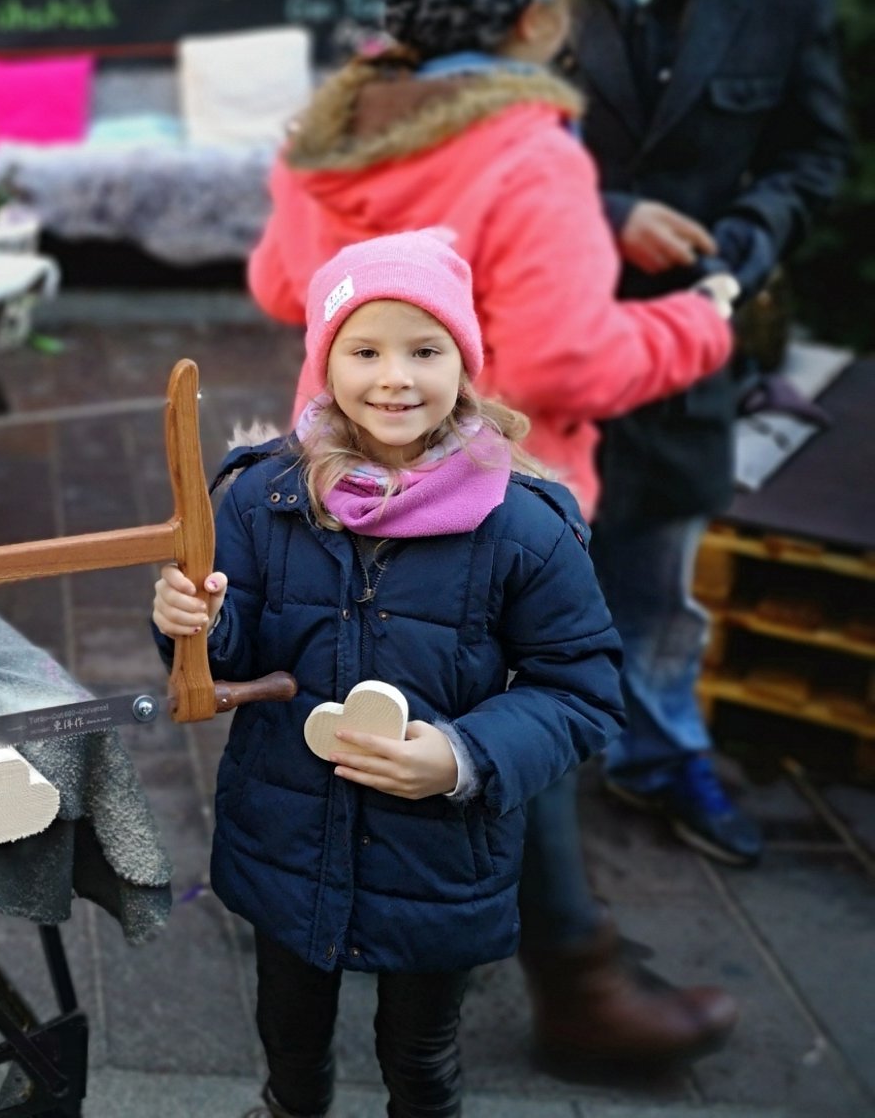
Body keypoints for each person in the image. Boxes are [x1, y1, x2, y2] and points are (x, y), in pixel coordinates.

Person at [249, 0, 749, 1069]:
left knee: (365, 695)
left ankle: (336, 925)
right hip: (487, 494)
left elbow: (284, 287)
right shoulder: (528, 152)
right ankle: (573, 987)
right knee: (517, 730)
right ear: (532, 18)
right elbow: (565, 361)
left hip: (340, 476)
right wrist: (702, 321)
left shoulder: (328, 135)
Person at [153, 231, 625, 1118]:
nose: (394, 378)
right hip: (286, 837)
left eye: (425, 349)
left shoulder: (519, 525)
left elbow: (583, 687)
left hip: (440, 858)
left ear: (465, 363)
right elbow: (235, 655)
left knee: (419, 1059)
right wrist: (194, 625)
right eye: (364, 350)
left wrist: (463, 757)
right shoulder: (265, 499)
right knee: (289, 1035)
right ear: (326, 362)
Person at [537, 0, 852, 868]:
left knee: (655, 575)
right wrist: (607, 210)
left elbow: (812, 156)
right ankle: (493, 767)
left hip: (684, 344)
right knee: (500, 556)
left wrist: (753, 238)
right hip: (534, 346)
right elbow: (464, 142)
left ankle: (656, 759)